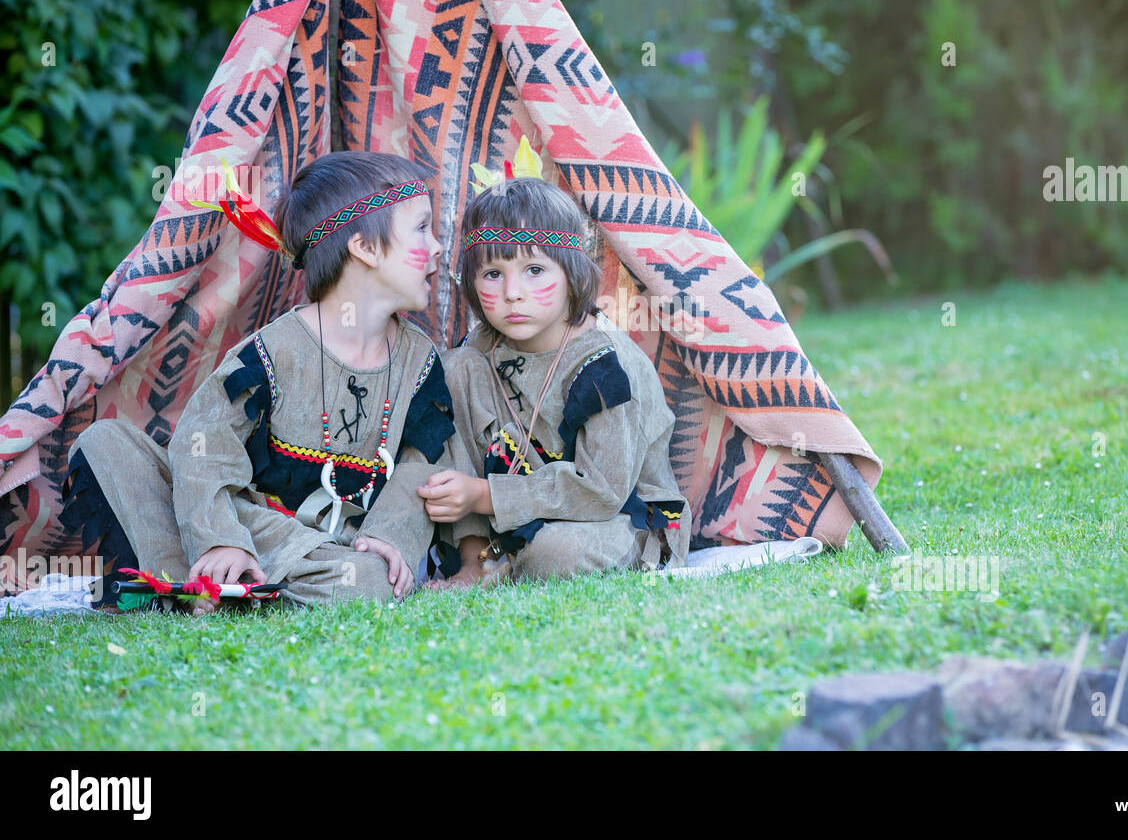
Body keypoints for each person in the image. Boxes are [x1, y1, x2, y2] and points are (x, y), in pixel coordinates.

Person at [62, 151, 457, 612]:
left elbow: (420, 468)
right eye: (422, 229)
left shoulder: (419, 360)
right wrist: (220, 539)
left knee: (368, 581)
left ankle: (206, 591)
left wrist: (388, 538)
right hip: (251, 523)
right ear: (365, 248)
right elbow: (203, 448)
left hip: (340, 551)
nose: (437, 247)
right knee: (106, 442)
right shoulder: (271, 352)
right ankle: (217, 568)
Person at [418, 168, 691, 587]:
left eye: (534, 271)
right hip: (519, 511)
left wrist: (481, 495)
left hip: (620, 515)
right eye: (493, 274)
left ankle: (510, 561)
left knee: (554, 553)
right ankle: (475, 562)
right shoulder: (481, 348)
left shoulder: (607, 364)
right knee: (454, 367)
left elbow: (603, 491)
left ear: (573, 275)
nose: (512, 292)